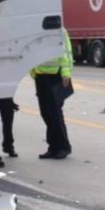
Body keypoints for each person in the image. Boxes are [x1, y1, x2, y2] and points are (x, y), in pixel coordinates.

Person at [32, 30, 73, 159]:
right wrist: (33, 71)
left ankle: (63, 147)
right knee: (46, 114)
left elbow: (66, 52)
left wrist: (66, 73)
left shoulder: (59, 29)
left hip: (56, 76)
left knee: (55, 114)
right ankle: (53, 147)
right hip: (40, 76)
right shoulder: (35, 28)